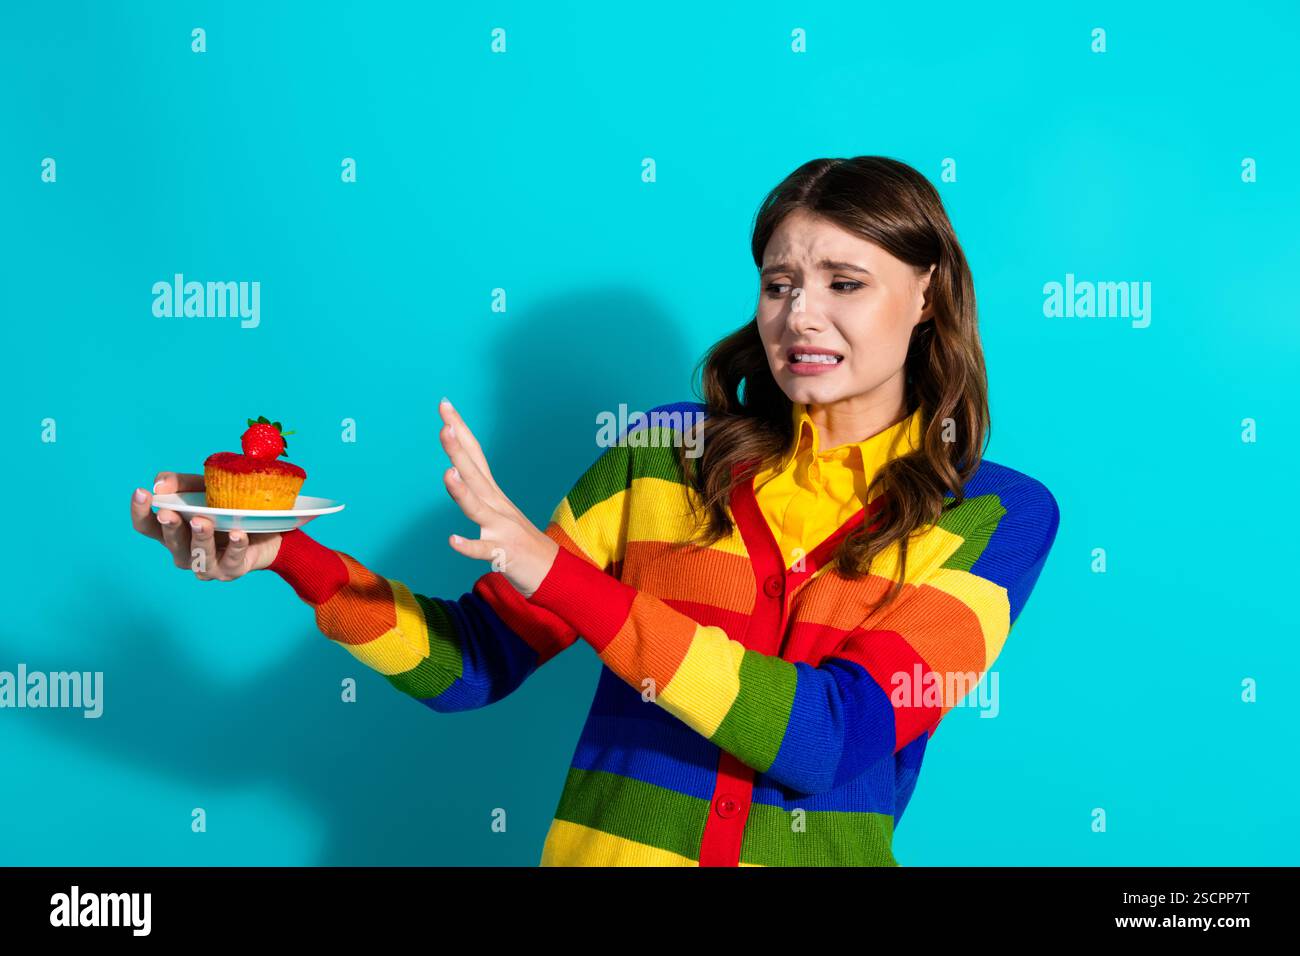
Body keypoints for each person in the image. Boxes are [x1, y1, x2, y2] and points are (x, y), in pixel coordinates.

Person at [130, 156, 1060, 866]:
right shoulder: (665, 455)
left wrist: (562, 577)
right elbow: (471, 665)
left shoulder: (995, 516)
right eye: (779, 284)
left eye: (843, 283)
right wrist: (290, 556)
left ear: (928, 292)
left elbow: (829, 738)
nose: (799, 317)